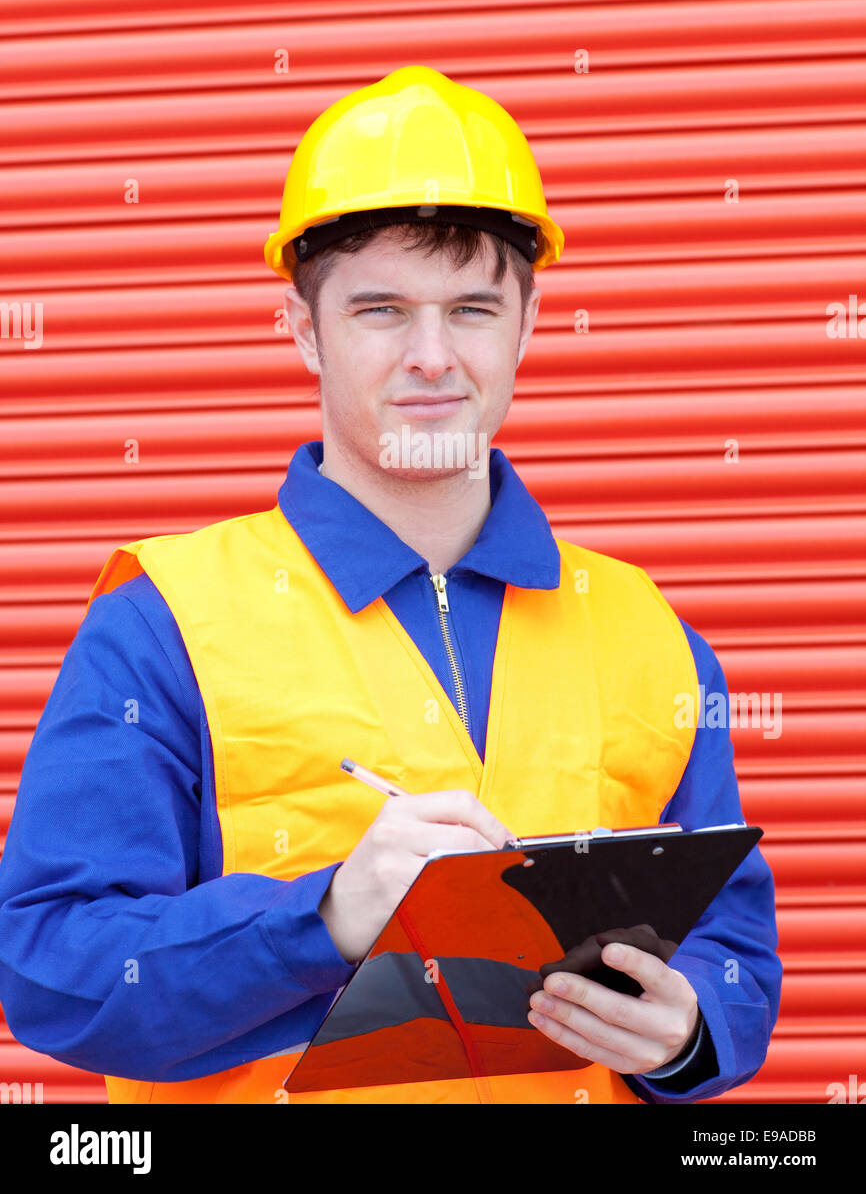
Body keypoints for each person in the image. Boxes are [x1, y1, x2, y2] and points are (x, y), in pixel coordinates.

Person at [0, 66, 781, 1105]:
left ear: (526, 325)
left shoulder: (646, 634)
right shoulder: (162, 623)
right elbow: (49, 966)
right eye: (379, 309)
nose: (430, 357)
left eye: (469, 308)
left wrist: (688, 1026)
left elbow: (732, 946)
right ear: (302, 327)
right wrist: (321, 922)